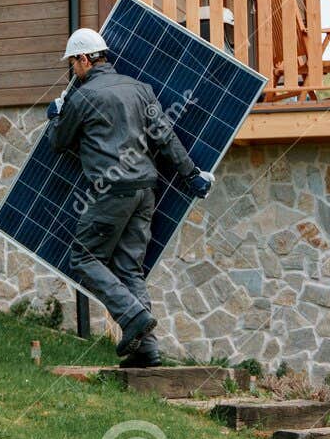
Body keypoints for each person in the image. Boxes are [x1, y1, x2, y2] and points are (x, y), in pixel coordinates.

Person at [46, 27, 213, 367]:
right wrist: (191, 175)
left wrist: (55, 116)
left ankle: (132, 315)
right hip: (145, 191)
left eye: (72, 63)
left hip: (111, 191)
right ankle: (146, 350)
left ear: (84, 59)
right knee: (129, 269)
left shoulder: (82, 97)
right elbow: (165, 137)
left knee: (83, 258)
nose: (72, 71)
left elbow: (59, 142)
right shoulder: (140, 89)